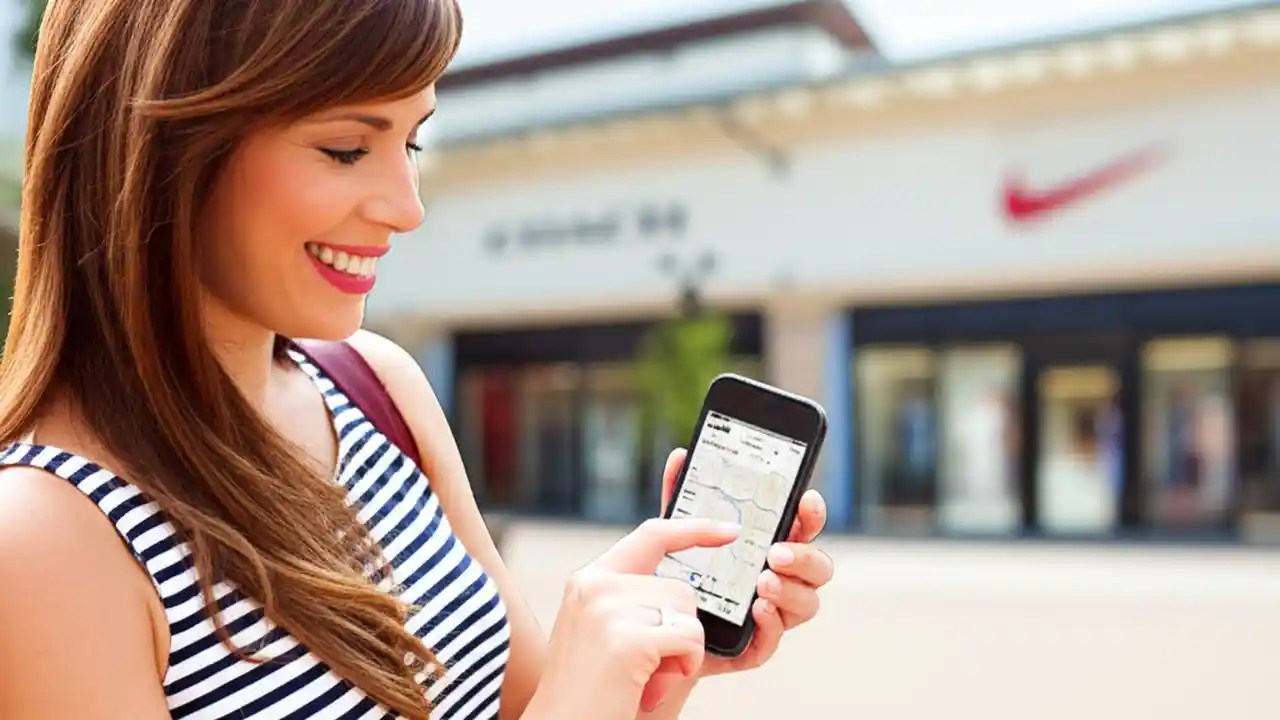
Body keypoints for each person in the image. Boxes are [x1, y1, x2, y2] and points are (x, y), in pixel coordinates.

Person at [0, 1, 834, 719]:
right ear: (163, 148)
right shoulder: (43, 541)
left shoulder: (376, 386)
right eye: (345, 149)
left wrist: (633, 669)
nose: (407, 208)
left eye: (415, 144)